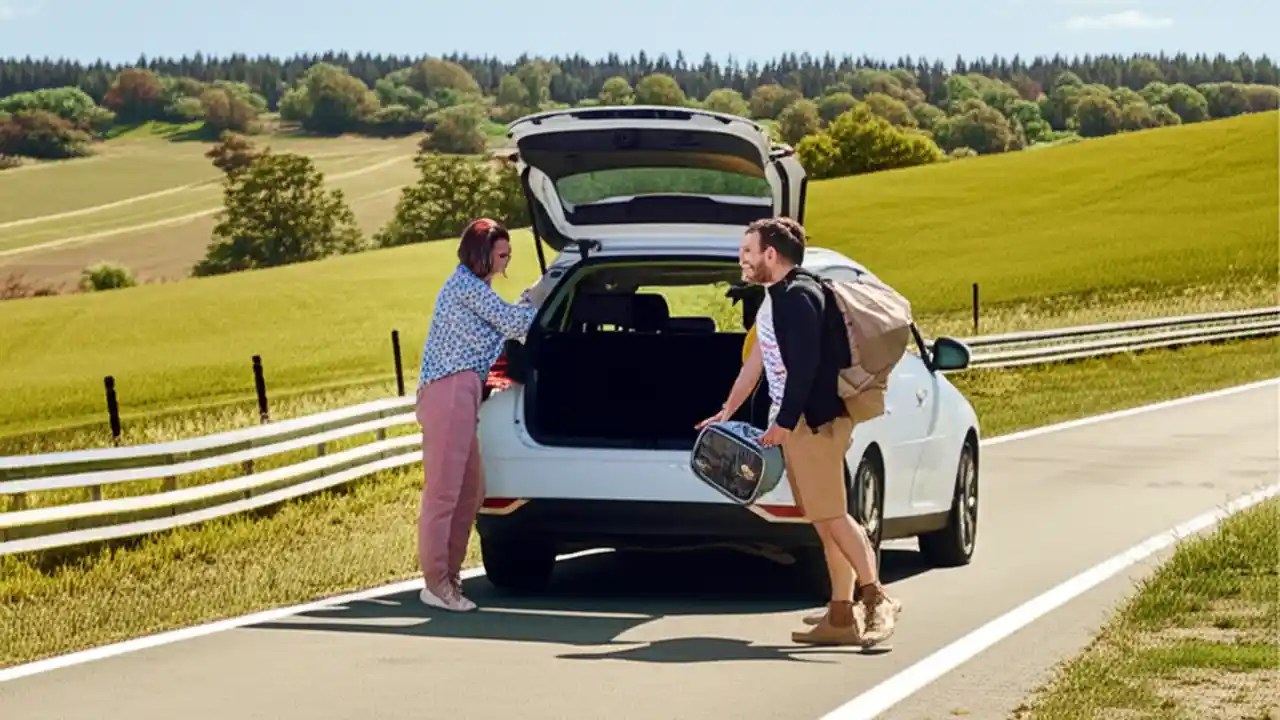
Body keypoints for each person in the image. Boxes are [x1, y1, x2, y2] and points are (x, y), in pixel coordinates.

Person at [697, 217, 902, 647]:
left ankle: (877, 598)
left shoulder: (798, 296)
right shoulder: (774, 300)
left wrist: (784, 422)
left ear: (771, 254)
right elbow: (755, 364)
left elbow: (806, 366)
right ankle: (840, 616)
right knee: (826, 521)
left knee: (833, 517)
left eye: (748, 251)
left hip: (815, 422)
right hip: (801, 424)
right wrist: (726, 410)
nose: (742, 259)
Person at [415, 218, 549, 612]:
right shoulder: (466, 288)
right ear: (482, 253)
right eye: (502, 254)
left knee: (471, 490)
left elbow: (504, 322)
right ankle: (437, 583)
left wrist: (531, 297)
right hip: (451, 390)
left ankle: (449, 579)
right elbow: (515, 323)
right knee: (443, 492)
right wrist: (541, 298)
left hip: (463, 393)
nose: (506, 262)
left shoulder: (476, 289)